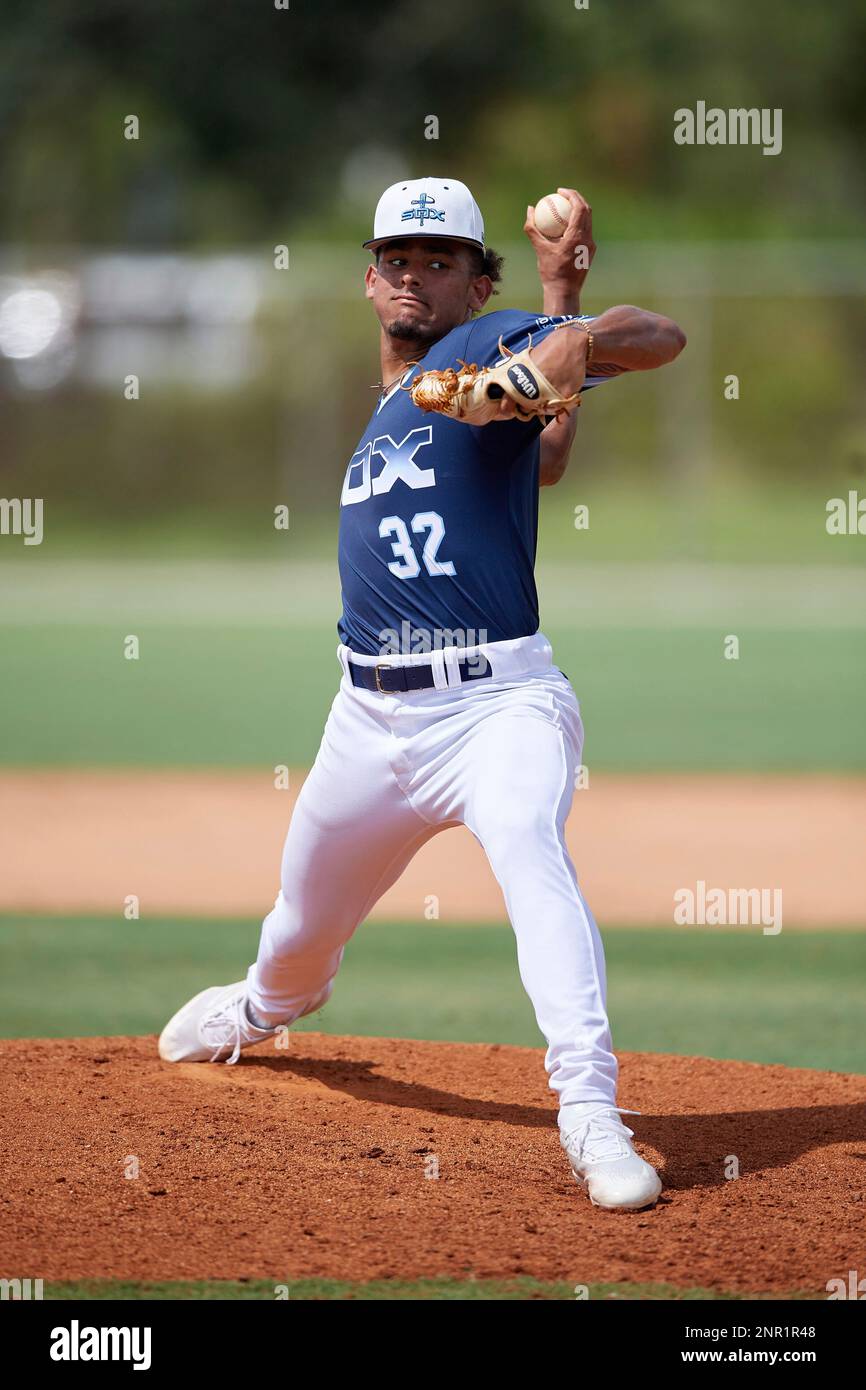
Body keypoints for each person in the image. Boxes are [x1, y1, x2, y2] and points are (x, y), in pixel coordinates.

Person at [159, 177, 686, 1211]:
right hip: (365, 717)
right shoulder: (402, 407)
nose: (413, 275)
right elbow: (543, 462)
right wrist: (559, 301)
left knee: (530, 849)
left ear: (474, 285)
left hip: (499, 706)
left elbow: (657, 336)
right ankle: (266, 1007)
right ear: (368, 281)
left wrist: (569, 326)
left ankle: (587, 1109)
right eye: (396, 258)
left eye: (439, 260)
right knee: (297, 928)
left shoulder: (482, 350)